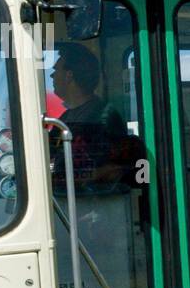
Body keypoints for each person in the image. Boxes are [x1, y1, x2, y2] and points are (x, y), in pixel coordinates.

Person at [49, 42, 130, 188]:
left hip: (92, 202)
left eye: (56, 70)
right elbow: (48, 153)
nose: (51, 75)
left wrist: (72, 180)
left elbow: (113, 169)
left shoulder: (103, 117)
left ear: (69, 76)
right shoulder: (66, 118)